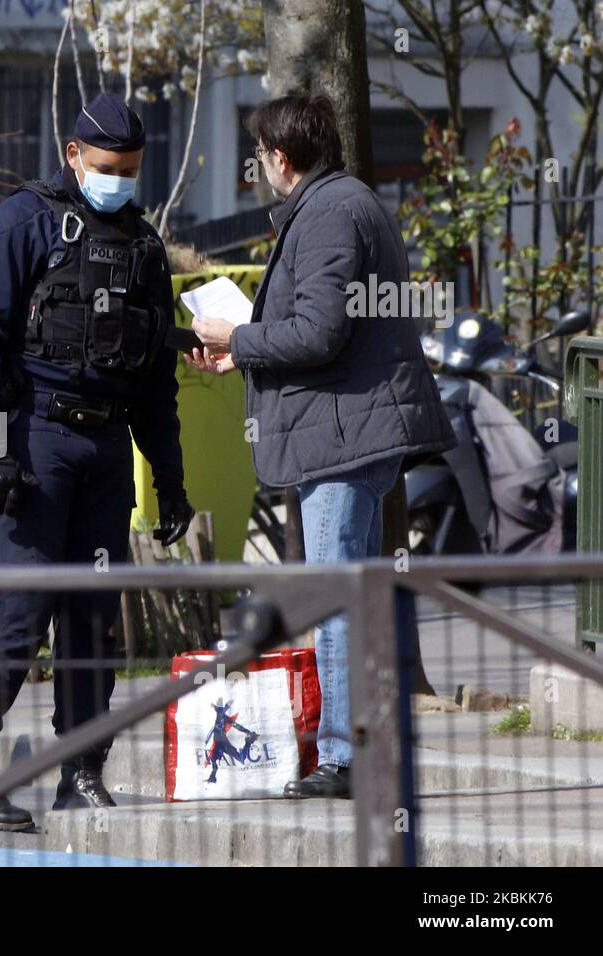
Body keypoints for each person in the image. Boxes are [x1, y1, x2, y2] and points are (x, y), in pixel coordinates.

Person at [0, 93, 197, 830]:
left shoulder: (144, 249)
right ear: (74, 154)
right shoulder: (21, 223)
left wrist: (170, 478)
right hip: (33, 441)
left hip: (107, 447)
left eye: (131, 169)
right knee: (22, 610)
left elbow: (154, 381)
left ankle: (81, 772)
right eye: (107, 167)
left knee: (94, 620)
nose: (119, 180)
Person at [188, 94, 454, 798]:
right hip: (347, 430)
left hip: (342, 437)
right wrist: (243, 355)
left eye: (259, 157)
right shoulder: (341, 203)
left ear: (280, 159)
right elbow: (322, 328)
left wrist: (234, 337)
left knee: (338, 595)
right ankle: (366, 749)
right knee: (356, 593)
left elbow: (317, 333)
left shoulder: (332, 212)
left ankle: (345, 758)